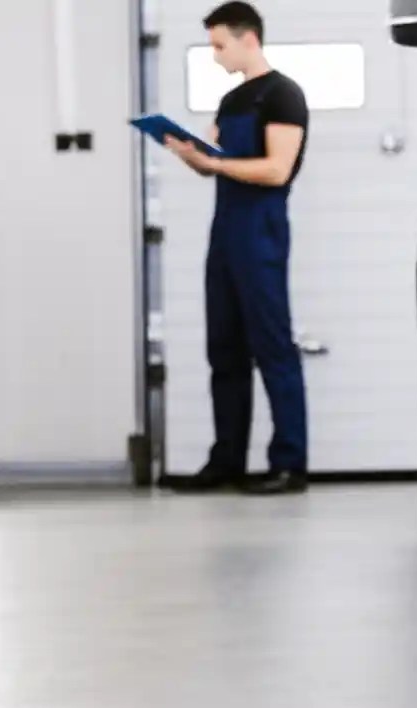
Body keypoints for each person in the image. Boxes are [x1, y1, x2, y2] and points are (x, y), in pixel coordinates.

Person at [165, 1, 309, 495]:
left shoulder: (283, 94)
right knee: (223, 348)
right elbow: (215, 161)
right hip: (224, 230)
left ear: (249, 39)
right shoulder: (230, 102)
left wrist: (214, 165)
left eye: (219, 45)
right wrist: (189, 155)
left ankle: (289, 464)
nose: (215, 56)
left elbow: (276, 170)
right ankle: (226, 460)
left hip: (261, 231)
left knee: (272, 347)